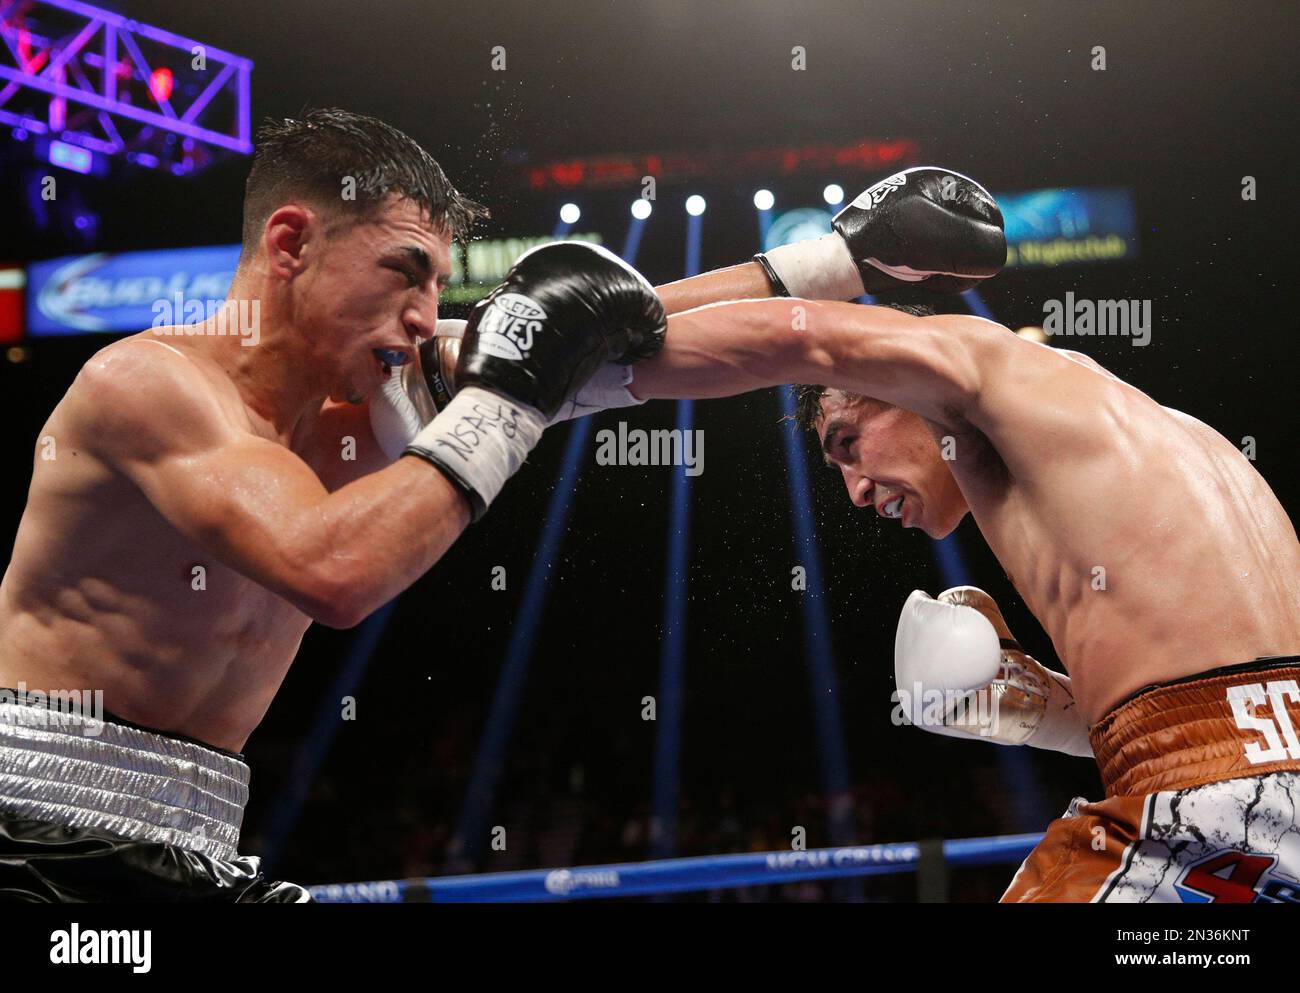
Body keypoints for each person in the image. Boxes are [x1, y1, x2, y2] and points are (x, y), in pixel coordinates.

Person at [0, 104, 991, 900]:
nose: (428, 316)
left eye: (438, 284)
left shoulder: (369, 387)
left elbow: (597, 327)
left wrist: (843, 263)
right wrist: (509, 399)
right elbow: (329, 571)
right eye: (404, 274)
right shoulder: (146, 386)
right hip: (35, 836)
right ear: (291, 242)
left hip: (195, 833)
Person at [523, 167, 1300, 902]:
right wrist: (1038, 709)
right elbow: (1237, 709)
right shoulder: (1180, 444)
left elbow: (787, 338)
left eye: (847, 444)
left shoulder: (977, 356)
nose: (857, 491)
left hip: (1202, 817)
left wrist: (550, 360)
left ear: (893, 384)